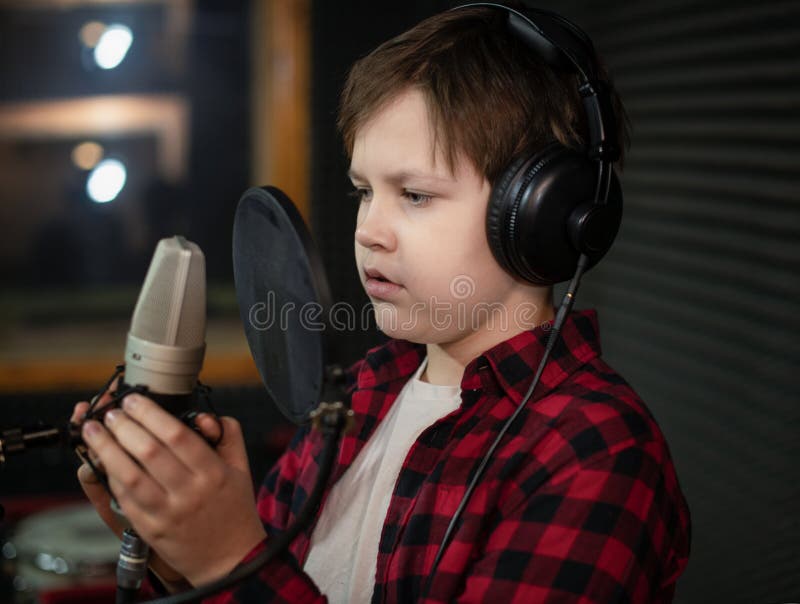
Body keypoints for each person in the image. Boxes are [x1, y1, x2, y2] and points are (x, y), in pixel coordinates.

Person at [72, 4, 691, 602]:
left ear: (540, 213)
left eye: (415, 195)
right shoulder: (367, 387)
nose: (369, 229)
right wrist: (180, 550)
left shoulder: (597, 452)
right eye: (365, 191)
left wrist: (225, 557)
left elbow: (247, 575)